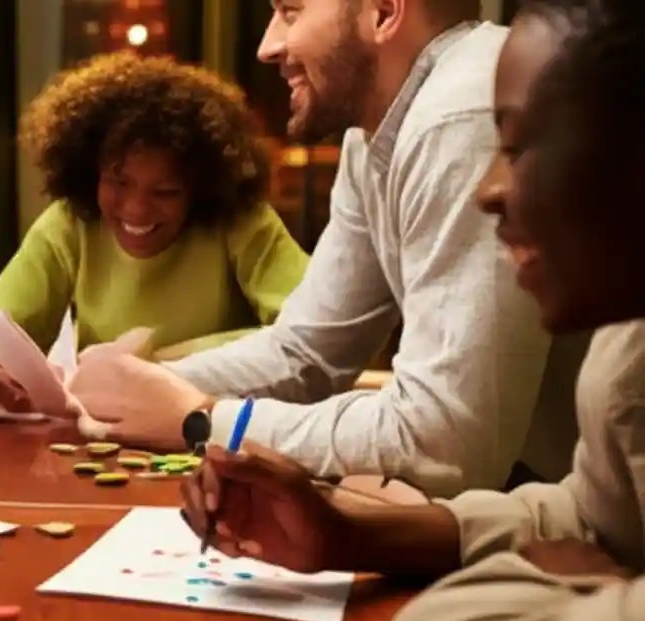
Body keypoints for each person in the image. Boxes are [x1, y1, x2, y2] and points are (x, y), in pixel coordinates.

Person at [174, 1, 645, 621]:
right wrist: (353, 533)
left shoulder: (453, 112)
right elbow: (593, 518)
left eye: (517, 147)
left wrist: (204, 420)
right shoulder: (624, 345)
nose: (488, 189)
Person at [66, 0, 588, 496]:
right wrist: (134, 389)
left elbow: (446, 442)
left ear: (384, 12)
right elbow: (307, 352)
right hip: (529, 498)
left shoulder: (458, 118)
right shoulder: (375, 134)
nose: (267, 46)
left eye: (291, 12)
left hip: (587, 526)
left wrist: (205, 422)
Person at [0, 52, 309, 411]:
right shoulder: (72, 222)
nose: (136, 209)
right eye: (118, 182)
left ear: (201, 189)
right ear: (91, 172)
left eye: (165, 192)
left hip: (221, 426)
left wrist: (162, 363)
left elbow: (314, 332)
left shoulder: (242, 221)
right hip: (107, 430)